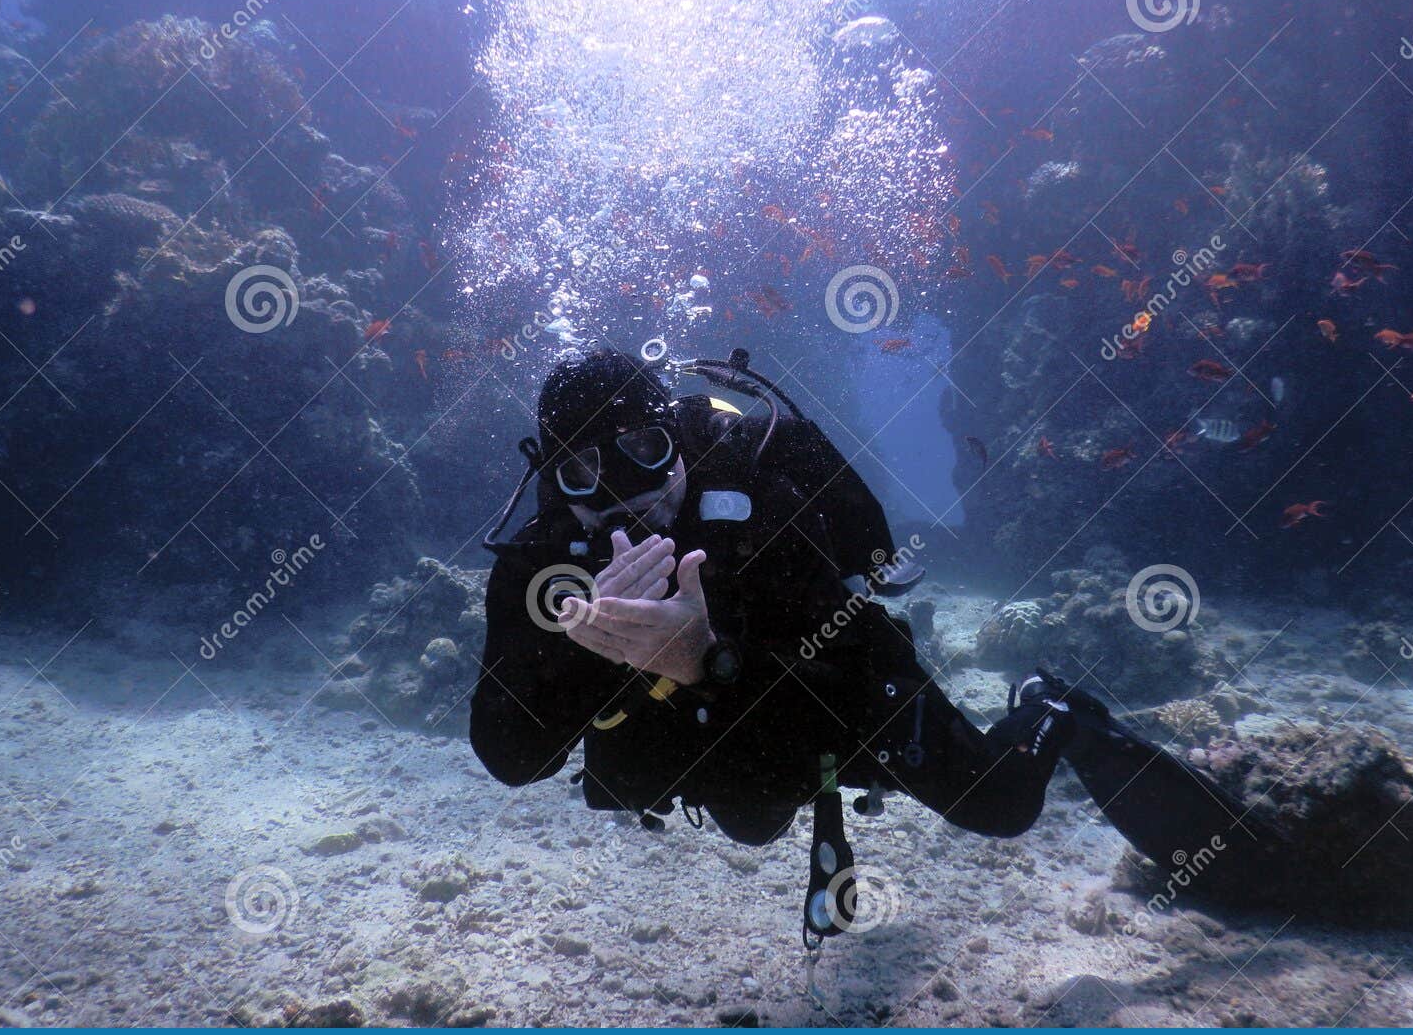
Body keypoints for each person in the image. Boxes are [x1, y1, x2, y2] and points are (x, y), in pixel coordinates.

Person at [470, 346, 1276, 941]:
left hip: (834, 696)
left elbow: (844, 648)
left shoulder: (757, 497)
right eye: (582, 470)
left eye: (645, 453)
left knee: (1001, 806)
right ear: (550, 480)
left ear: (676, 443)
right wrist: (589, 643)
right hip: (717, 744)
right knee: (753, 820)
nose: (627, 492)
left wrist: (705, 656)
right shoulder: (542, 572)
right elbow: (510, 758)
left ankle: (1048, 706)